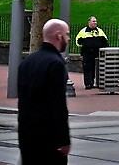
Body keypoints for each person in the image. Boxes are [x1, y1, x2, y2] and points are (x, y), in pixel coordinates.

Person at [17, 18, 71, 165]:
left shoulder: (27, 62)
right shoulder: (56, 64)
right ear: (58, 35)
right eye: (67, 34)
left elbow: (22, 102)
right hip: (49, 139)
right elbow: (58, 105)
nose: (69, 38)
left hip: (27, 136)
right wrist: (63, 139)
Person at [74, 16, 109, 90]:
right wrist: (86, 44)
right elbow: (78, 41)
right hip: (87, 53)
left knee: (94, 68)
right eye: (93, 21)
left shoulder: (99, 31)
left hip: (96, 53)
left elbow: (105, 41)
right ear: (89, 22)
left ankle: (93, 83)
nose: (95, 23)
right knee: (87, 68)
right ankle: (88, 84)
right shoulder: (83, 31)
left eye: (96, 21)